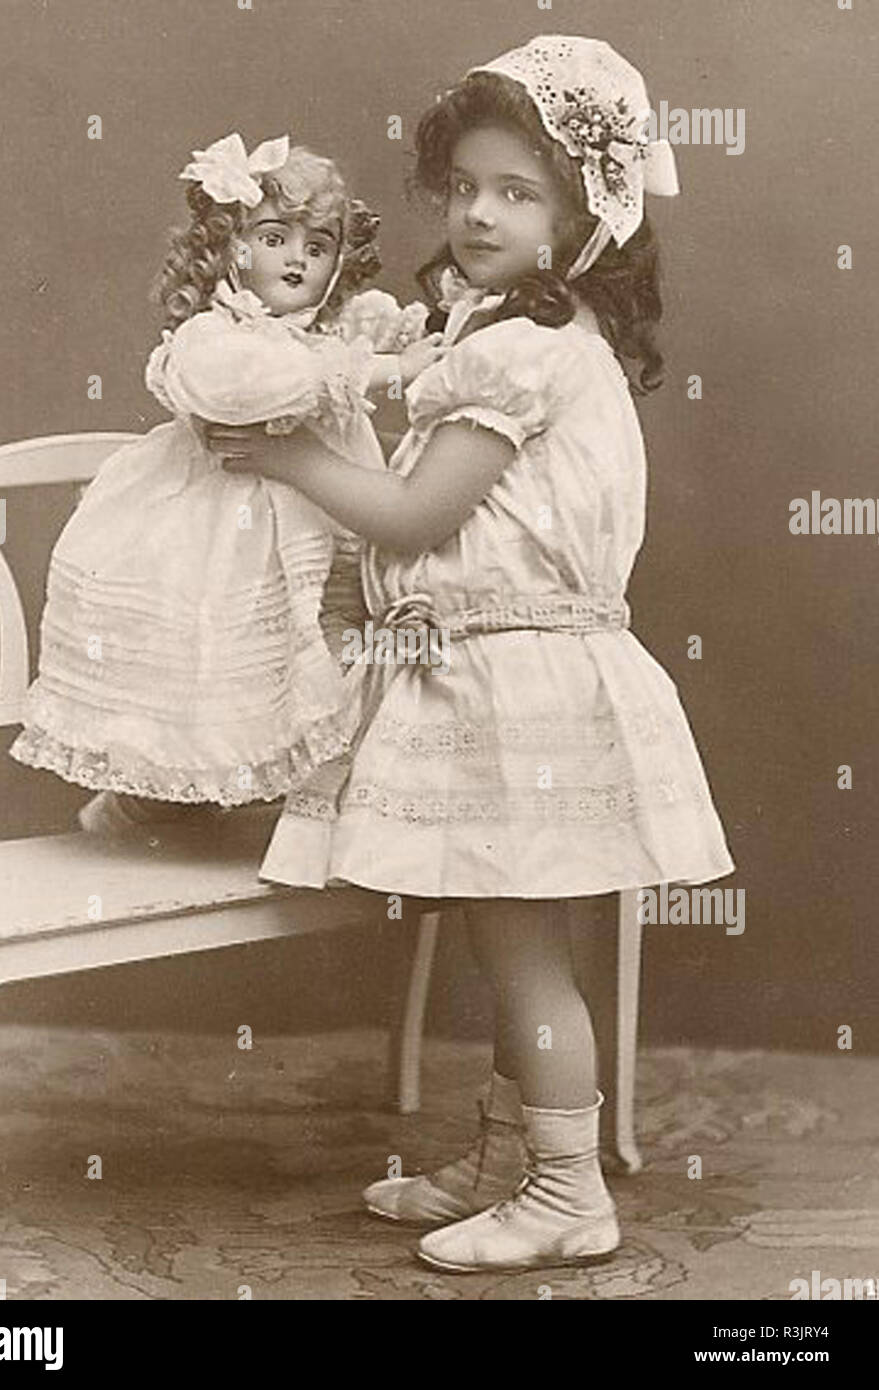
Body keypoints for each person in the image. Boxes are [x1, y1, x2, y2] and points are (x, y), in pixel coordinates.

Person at [207, 36, 736, 1275]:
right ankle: (512, 1158)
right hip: (504, 672)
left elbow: (412, 516)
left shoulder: (526, 353)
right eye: (466, 186)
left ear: (584, 221)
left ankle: (564, 1189)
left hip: (522, 685)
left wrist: (286, 456)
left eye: (520, 193)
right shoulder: (509, 335)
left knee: (522, 950)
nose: (479, 211)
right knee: (519, 945)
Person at [9, 132, 440, 830]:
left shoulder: (322, 336)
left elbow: (370, 337)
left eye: (318, 244)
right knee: (210, 676)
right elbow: (241, 391)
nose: (298, 256)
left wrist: (403, 340)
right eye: (273, 237)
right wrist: (385, 369)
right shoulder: (215, 339)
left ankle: (315, 812)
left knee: (323, 658)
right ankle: (141, 804)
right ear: (226, 249)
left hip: (314, 531)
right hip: (217, 540)